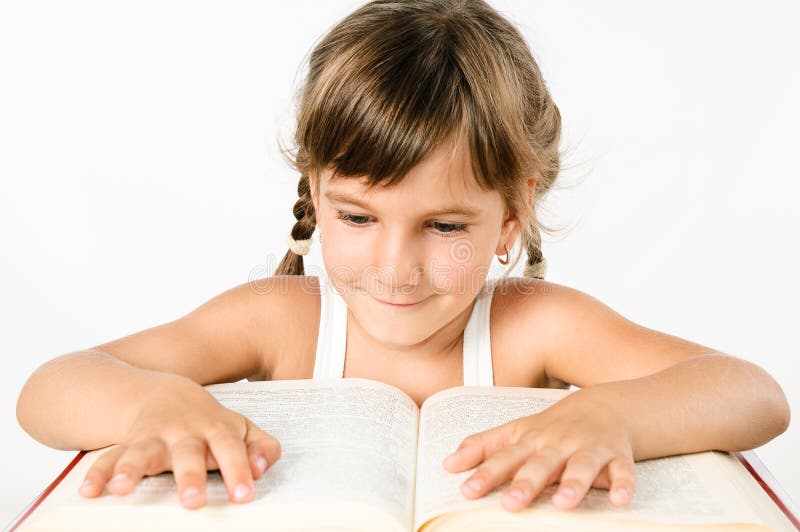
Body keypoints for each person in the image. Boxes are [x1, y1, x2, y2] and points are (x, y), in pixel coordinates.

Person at [16, 0, 790, 515]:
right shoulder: (278, 320)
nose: (395, 266)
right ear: (315, 193)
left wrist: (613, 414)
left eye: (445, 227)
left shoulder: (537, 327)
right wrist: (151, 405)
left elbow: (752, 394)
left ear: (512, 214)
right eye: (357, 216)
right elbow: (51, 388)